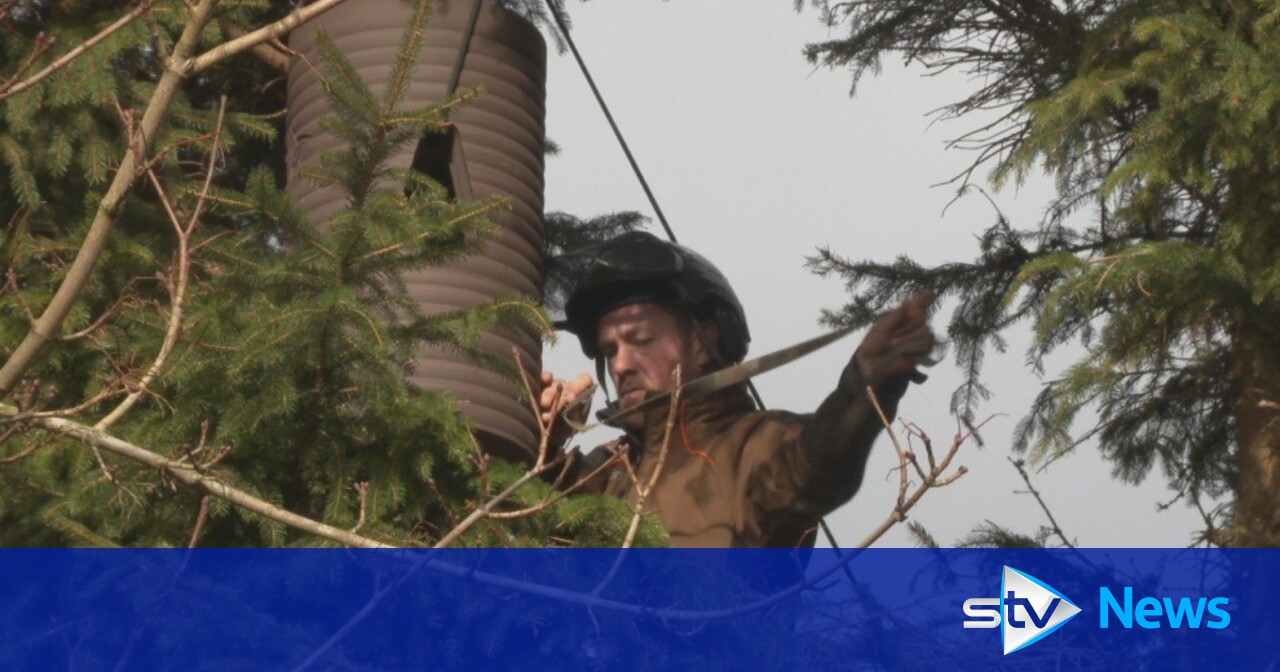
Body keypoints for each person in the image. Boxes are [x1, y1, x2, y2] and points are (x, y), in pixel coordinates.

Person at [540, 231, 935, 548]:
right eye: (610, 351)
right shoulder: (607, 472)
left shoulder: (752, 450)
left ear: (702, 342)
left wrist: (867, 379)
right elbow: (511, 517)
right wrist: (544, 443)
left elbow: (821, 459)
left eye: (640, 340)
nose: (621, 365)